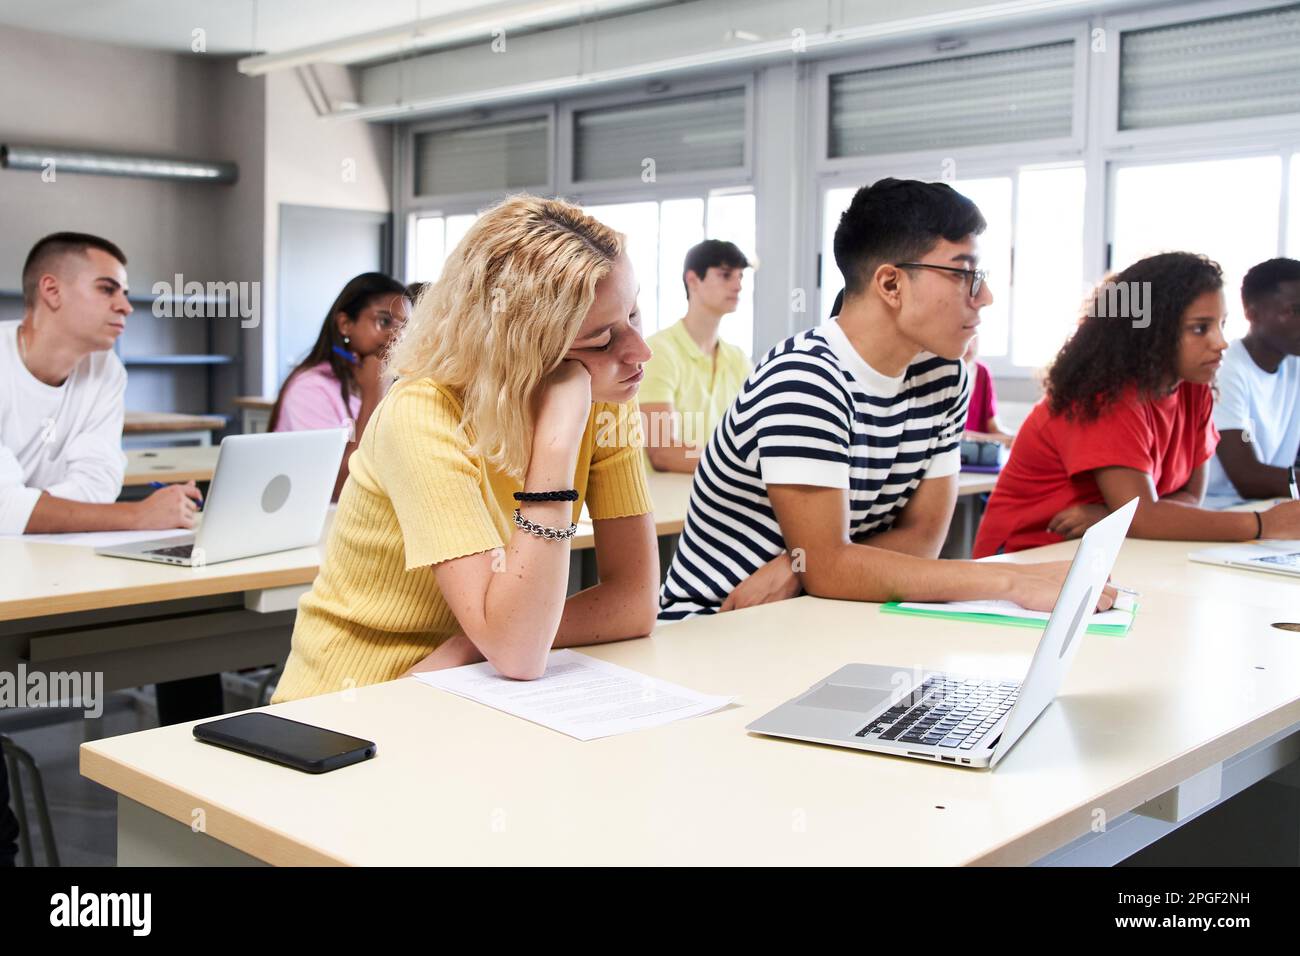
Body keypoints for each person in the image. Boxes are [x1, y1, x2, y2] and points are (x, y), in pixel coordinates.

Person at [659, 178, 1108, 620]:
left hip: (824, 616)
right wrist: (1012, 582)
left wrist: (804, 567)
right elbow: (832, 569)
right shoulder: (807, 378)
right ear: (891, 284)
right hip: (718, 628)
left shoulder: (944, 376)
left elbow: (923, 540)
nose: (984, 297)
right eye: (965, 274)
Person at [272, 196, 659, 700]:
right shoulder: (424, 413)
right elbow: (519, 653)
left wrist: (473, 646)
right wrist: (559, 438)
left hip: (473, 685)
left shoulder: (606, 398)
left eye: (634, 313)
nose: (639, 353)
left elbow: (634, 603)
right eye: (603, 339)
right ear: (516, 345)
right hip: (357, 701)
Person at [973, 252, 1300, 557]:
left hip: (1109, 551)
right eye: (1200, 328)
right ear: (1150, 332)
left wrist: (1118, 517)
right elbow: (1146, 517)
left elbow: (1187, 498)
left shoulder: (1195, 389)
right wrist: (1264, 523)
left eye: (1221, 325)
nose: (1220, 342)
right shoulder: (1102, 396)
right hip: (1028, 554)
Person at [1, 232, 201, 535]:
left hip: (41, 551)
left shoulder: (106, 369)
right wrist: (137, 515)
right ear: (52, 291)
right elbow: (4, 508)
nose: (126, 307)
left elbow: (97, 481)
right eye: (107, 289)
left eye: (125, 293)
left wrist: (27, 510)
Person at [268, 273, 411, 501]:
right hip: (313, 521)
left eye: (404, 327)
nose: (396, 336)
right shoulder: (310, 390)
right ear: (345, 324)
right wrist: (373, 394)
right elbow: (337, 489)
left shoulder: (395, 386)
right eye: (384, 321)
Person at [638, 240, 752, 473]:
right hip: (666, 503)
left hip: (719, 499)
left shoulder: (738, 359)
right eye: (726, 275)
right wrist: (741, 465)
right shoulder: (658, 352)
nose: (738, 285)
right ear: (692, 280)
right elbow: (663, 452)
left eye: (740, 276)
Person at [1206, 257, 1300, 503]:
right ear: (1252, 314)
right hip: (1221, 509)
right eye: (1295, 310)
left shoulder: (1295, 363)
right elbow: (1249, 478)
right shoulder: (1224, 369)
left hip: (1272, 507)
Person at [962, 334, 1014, 446]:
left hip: (979, 449)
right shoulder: (944, 373)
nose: (970, 345)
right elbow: (951, 435)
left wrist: (1013, 438)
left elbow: (993, 425)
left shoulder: (982, 372)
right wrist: (995, 439)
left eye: (973, 338)